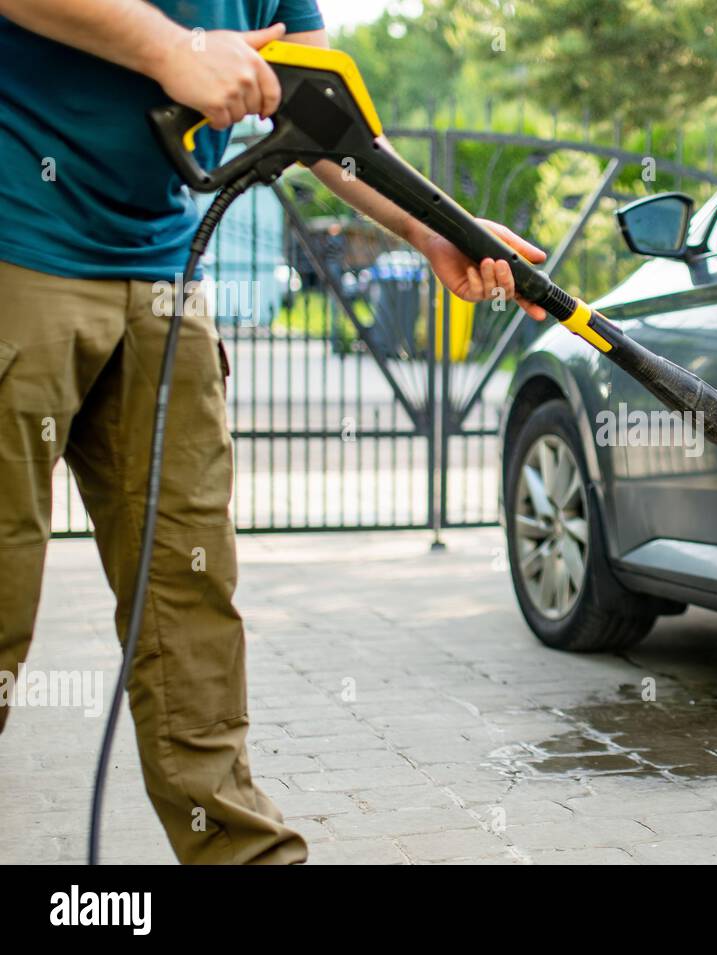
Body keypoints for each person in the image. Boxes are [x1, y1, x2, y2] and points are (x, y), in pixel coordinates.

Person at [0, 0, 545, 864]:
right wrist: (171, 49)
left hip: (165, 277)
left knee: (188, 602)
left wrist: (429, 225)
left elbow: (323, 114)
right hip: (18, 247)